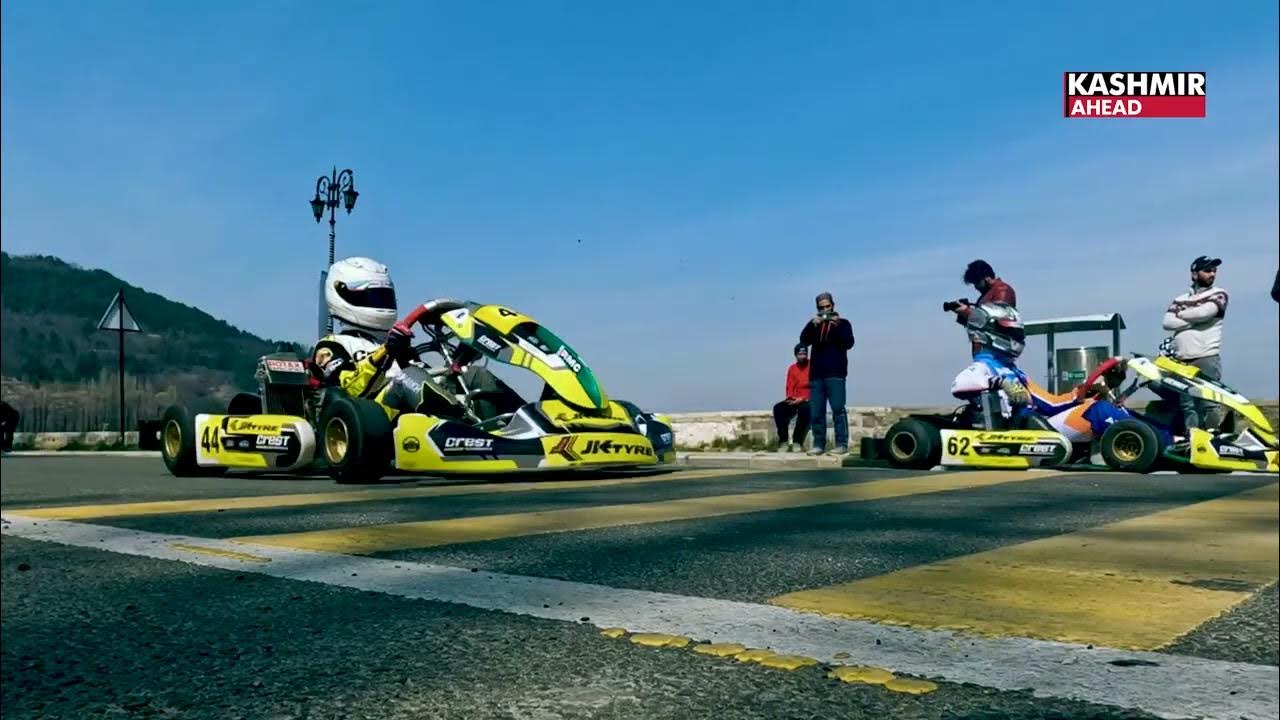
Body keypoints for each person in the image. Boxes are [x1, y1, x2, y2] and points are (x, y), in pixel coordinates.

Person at [312, 257, 520, 422]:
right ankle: (461, 423)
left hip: (413, 407)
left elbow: (423, 374)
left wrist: (457, 364)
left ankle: (529, 422)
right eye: (373, 297)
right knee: (407, 377)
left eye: (384, 297)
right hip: (372, 417)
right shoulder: (331, 345)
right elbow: (351, 390)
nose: (381, 304)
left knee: (475, 375)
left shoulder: (396, 340)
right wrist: (386, 353)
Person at [1161, 256, 1229, 432]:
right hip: (1183, 361)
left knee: (1209, 403)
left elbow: (1205, 312)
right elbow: (1167, 322)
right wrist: (1194, 320)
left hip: (1207, 357)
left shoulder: (1219, 294)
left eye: (1214, 271)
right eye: (1207, 270)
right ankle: (1193, 438)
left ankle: (1213, 437)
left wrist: (1182, 314)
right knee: (1188, 404)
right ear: (1194, 274)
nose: (1212, 274)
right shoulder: (1180, 298)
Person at [949, 302, 1033, 428]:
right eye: (1012, 332)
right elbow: (959, 384)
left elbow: (1048, 403)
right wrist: (1001, 383)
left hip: (1025, 424)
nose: (1017, 337)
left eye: (1018, 333)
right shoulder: (985, 365)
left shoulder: (1012, 369)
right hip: (1004, 429)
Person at [799, 292, 855, 455]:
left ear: (833, 305)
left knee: (838, 409)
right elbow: (803, 340)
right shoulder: (814, 325)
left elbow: (848, 343)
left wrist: (836, 326)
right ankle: (818, 444)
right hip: (816, 375)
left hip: (835, 373)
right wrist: (811, 325)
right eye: (821, 307)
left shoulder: (844, 324)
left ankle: (842, 444)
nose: (825, 310)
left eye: (827, 306)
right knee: (816, 412)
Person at [948, 260, 1017, 357]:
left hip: (996, 353)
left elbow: (997, 321)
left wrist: (967, 312)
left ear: (986, 277)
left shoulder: (1002, 290)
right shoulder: (985, 296)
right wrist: (963, 315)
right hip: (984, 353)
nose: (976, 287)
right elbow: (979, 324)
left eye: (977, 282)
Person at [772, 344, 811, 452]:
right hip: (794, 399)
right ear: (796, 355)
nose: (802, 356)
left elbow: (816, 386)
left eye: (804, 354)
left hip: (807, 400)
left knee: (805, 409)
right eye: (800, 354)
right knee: (778, 408)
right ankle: (783, 441)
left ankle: (797, 441)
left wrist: (803, 398)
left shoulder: (813, 366)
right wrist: (791, 398)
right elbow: (789, 386)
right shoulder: (792, 368)